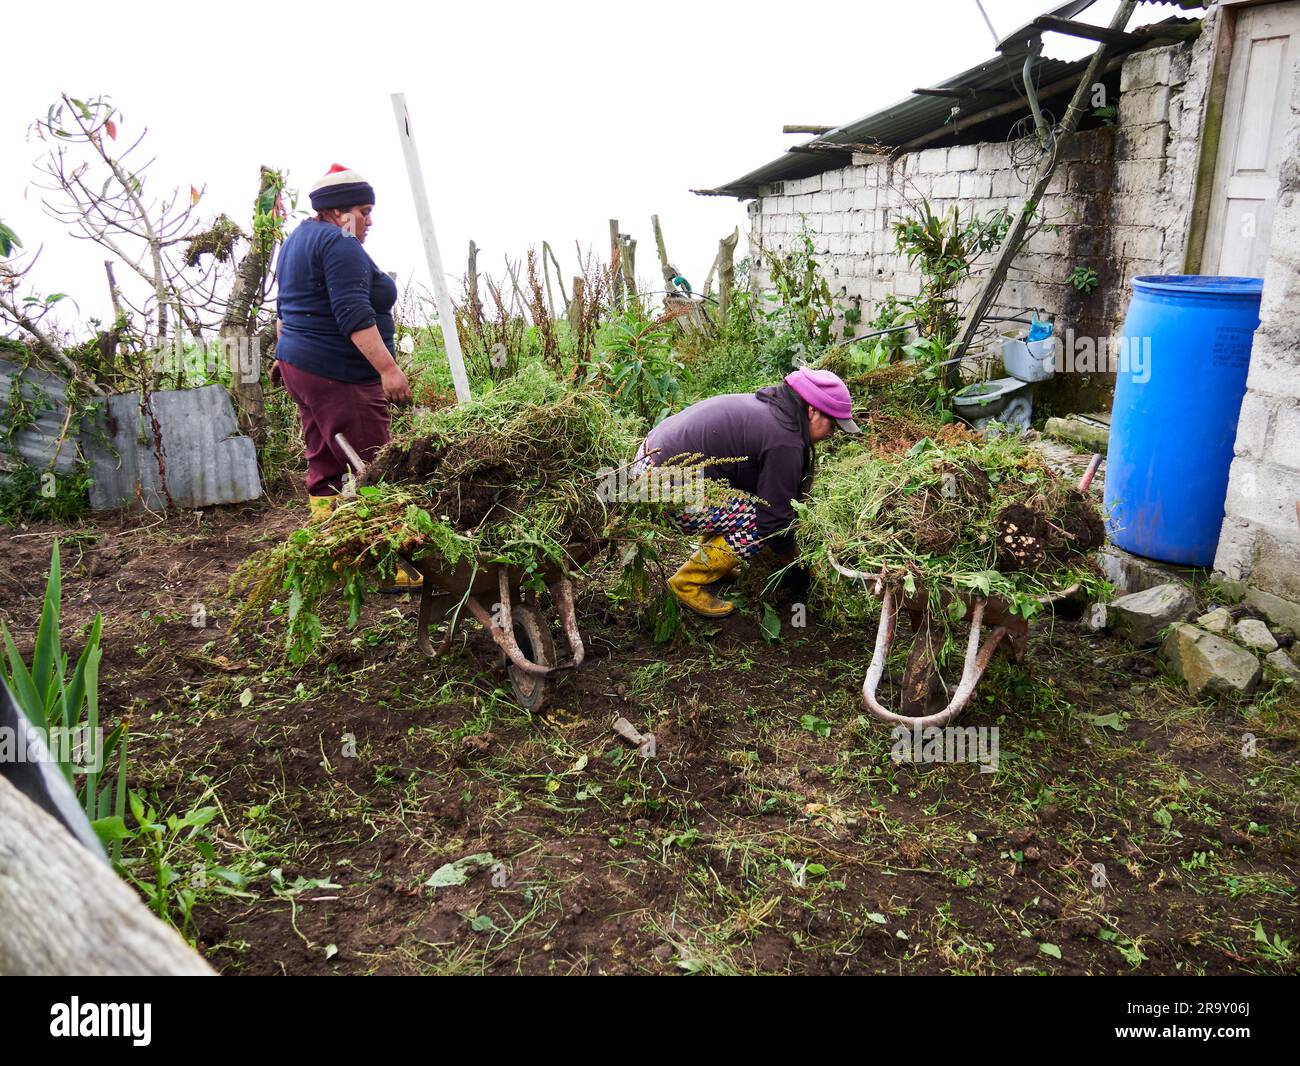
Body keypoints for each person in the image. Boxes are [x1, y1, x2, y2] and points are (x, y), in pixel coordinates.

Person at [638, 367, 859, 617]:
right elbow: (774, 522)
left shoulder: (772, 408)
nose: (832, 433)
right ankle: (686, 582)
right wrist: (796, 567)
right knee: (758, 524)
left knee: (742, 495)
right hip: (660, 491)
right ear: (812, 410)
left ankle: (713, 559)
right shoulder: (785, 439)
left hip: (647, 462)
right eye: (831, 424)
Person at [274, 163, 411, 520]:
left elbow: (284, 310)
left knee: (323, 459)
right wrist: (389, 369)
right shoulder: (340, 243)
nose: (369, 221)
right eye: (364, 212)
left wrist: (282, 355)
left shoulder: (296, 240)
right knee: (375, 465)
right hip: (339, 373)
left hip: (301, 368)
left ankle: (324, 537)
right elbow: (353, 315)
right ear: (339, 212)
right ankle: (386, 558)